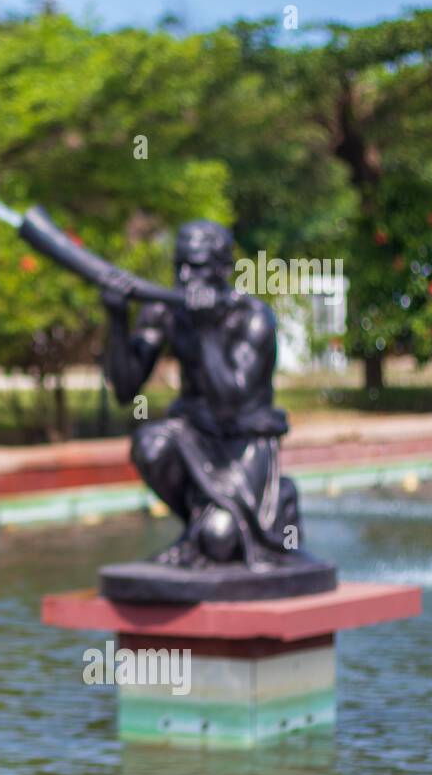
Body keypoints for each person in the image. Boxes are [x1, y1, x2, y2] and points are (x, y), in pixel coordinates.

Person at [100, 220, 301, 568]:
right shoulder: (164, 310)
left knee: (220, 541)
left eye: (197, 265)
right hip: (193, 433)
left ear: (224, 268)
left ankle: (243, 515)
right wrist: (117, 320)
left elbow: (231, 404)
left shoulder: (252, 318)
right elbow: (125, 388)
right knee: (150, 444)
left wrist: (206, 332)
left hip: (242, 443)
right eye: (179, 265)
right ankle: (200, 520)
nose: (186, 276)